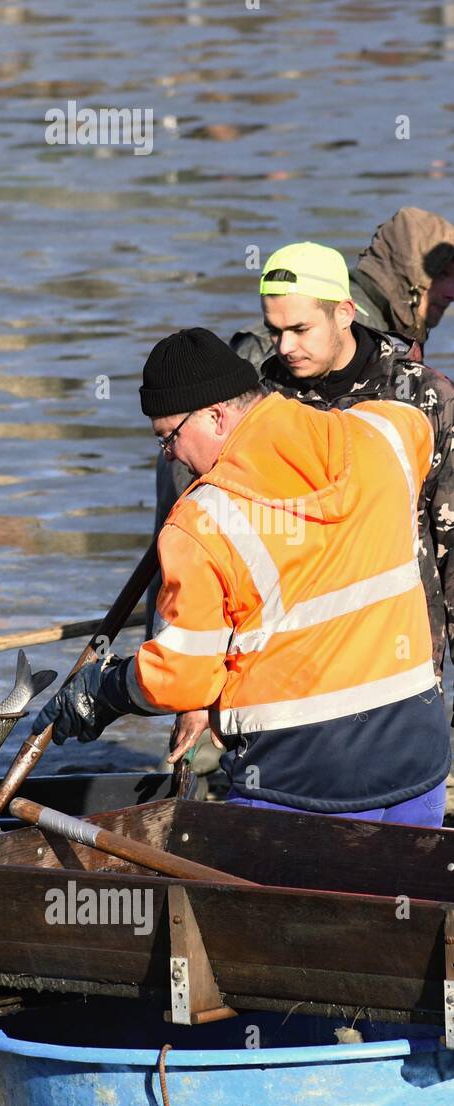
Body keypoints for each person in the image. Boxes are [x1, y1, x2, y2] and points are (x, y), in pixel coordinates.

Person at [36, 328, 450, 827]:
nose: (168, 455)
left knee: (246, 879)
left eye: (168, 437)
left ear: (216, 416)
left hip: (298, 776)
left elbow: (182, 675)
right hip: (417, 754)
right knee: (406, 879)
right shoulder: (385, 434)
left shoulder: (200, 522)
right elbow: (416, 430)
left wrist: (106, 689)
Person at [153, 241, 454, 766]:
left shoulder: (420, 396)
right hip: (286, 673)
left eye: (300, 329)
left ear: (344, 313)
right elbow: (214, 552)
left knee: (398, 793)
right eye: (274, 331)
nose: (285, 346)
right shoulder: (258, 399)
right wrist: (197, 691)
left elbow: (449, 540)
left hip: (399, 651)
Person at [231, 208, 454, 367]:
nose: (451, 292)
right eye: (442, 275)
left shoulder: (390, 332)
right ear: (406, 272)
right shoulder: (360, 332)